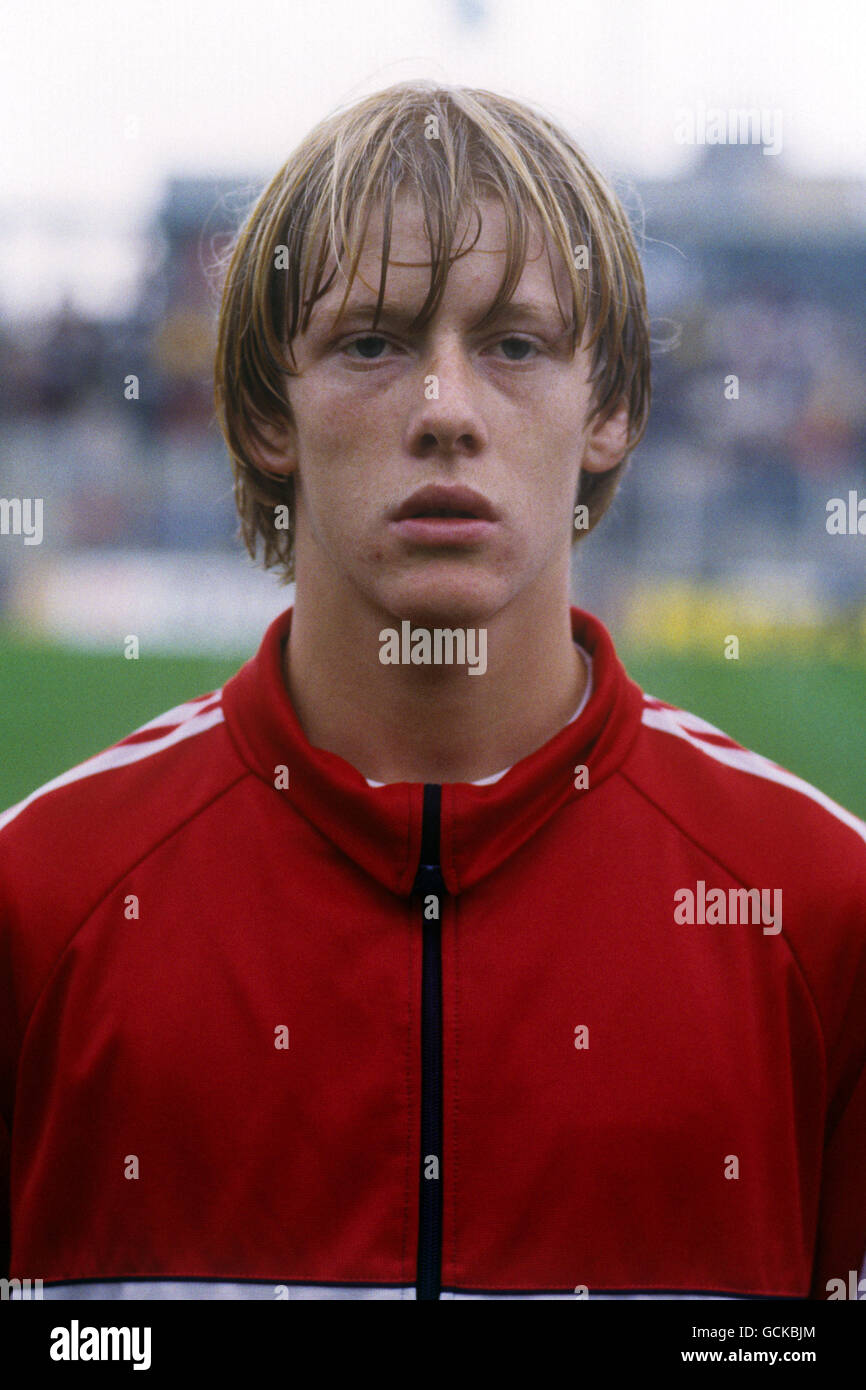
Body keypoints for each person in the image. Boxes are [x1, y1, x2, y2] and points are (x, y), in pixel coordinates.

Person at [1, 82, 864, 1302]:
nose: (444, 410)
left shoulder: (825, 916)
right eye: (372, 342)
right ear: (262, 411)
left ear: (609, 407)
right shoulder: (37, 903)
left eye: (512, 345)